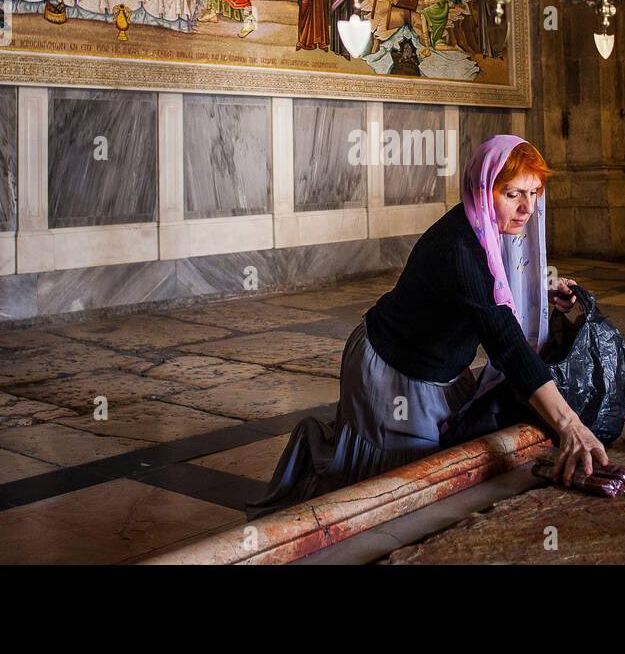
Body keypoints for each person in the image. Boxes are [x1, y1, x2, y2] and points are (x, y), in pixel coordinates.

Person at [247, 136, 605, 521]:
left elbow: (500, 282)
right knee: (391, 487)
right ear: (485, 190)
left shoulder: (485, 224)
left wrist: (541, 287)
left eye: (535, 193)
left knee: (429, 472)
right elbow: (507, 342)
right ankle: (312, 462)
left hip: (437, 367)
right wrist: (569, 425)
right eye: (512, 194)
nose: (526, 208)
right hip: (393, 367)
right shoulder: (460, 249)